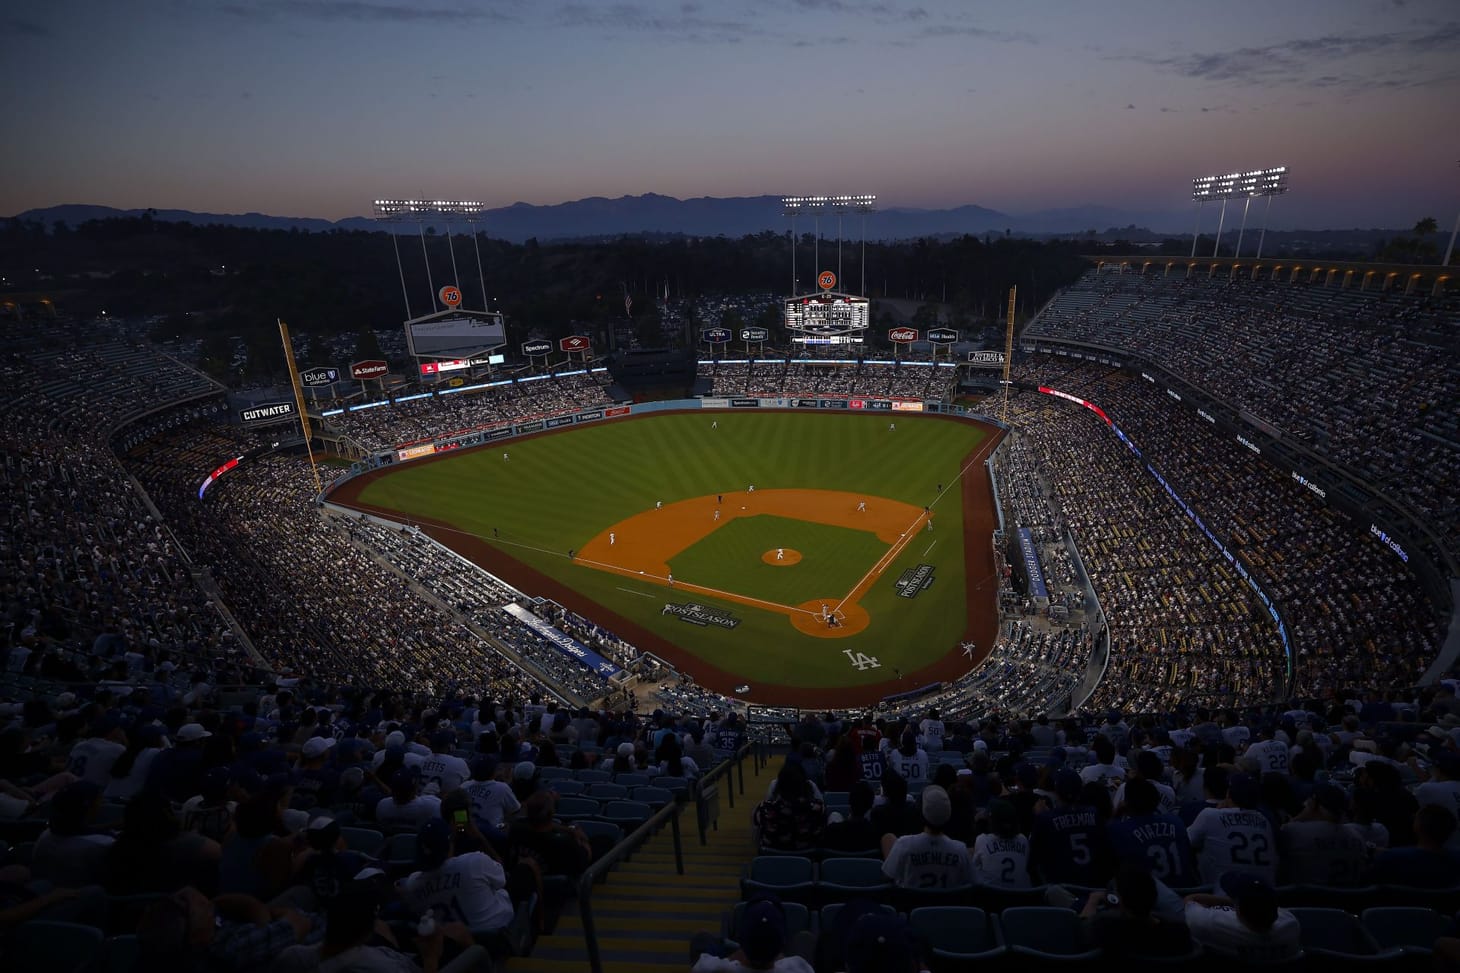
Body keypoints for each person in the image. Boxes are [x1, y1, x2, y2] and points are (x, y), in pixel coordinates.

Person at [1184, 872, 1300, 963]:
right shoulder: (1291, 924)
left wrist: (1234, 901)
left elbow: (1189, 900)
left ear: (1238, 908)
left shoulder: (1210, 924)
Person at [1187, 772, 1277, 886]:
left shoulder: (1209, 815)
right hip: (1263, 894)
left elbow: (1185, 842)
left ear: (1229, 794)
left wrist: (1218, 810)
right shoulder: (1264, 820)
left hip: (1222, 895)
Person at [882, 785, 974, 889]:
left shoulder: (904, 844)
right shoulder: (960, 849)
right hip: (948, 904)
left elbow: (887, 876)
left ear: (921, 813)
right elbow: (971, 882)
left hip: (910, 905)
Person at [971, 798, 1031, 889]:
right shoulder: (1023, 840)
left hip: (991, 899)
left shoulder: (982, 839)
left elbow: (973, 870)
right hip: (1021, 899)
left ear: (992, 821)